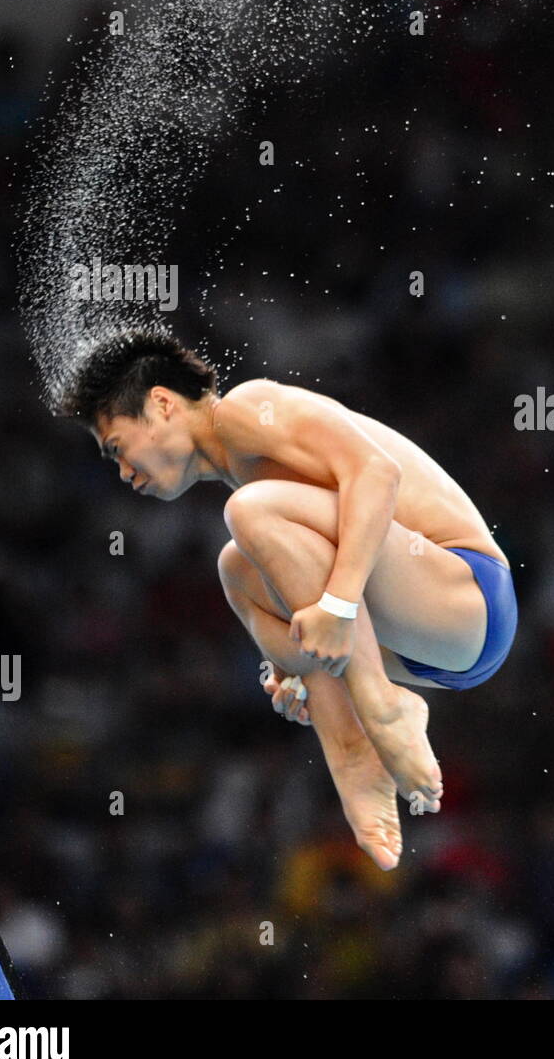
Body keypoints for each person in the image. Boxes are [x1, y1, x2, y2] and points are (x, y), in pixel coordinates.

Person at [57, 329, 517, 871]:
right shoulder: (242, 474)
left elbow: (376, 473)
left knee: (251, 515)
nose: (123, 473)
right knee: (237, 568)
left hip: (465, 591)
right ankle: (352, 748)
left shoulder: (248, 408)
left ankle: (381, 707)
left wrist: (338, 607)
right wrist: (294, 667)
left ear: (161, 403)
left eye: (117, 449)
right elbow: (308, 585)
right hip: (427, 648)